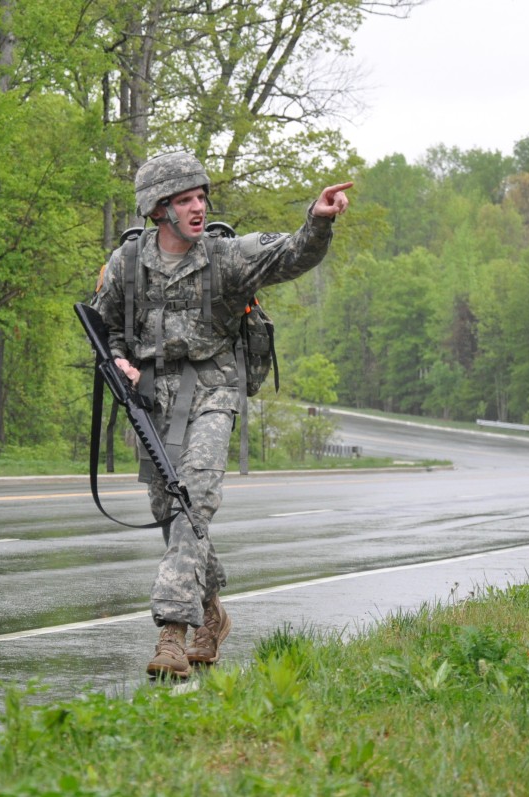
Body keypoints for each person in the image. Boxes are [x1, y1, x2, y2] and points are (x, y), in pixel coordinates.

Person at [91, 151, 351, 678]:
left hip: (213, 389)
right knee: (171, 512)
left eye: (201, 197)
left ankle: (171, 633)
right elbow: (106, 325)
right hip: (151, 398)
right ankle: (212, 615)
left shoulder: (227, 255)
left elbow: (291, 254)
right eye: (185, 200)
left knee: (194, 499)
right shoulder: (126, 263)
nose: (199, 207)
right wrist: (118, 360)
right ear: (158, 209)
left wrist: (318, 220)